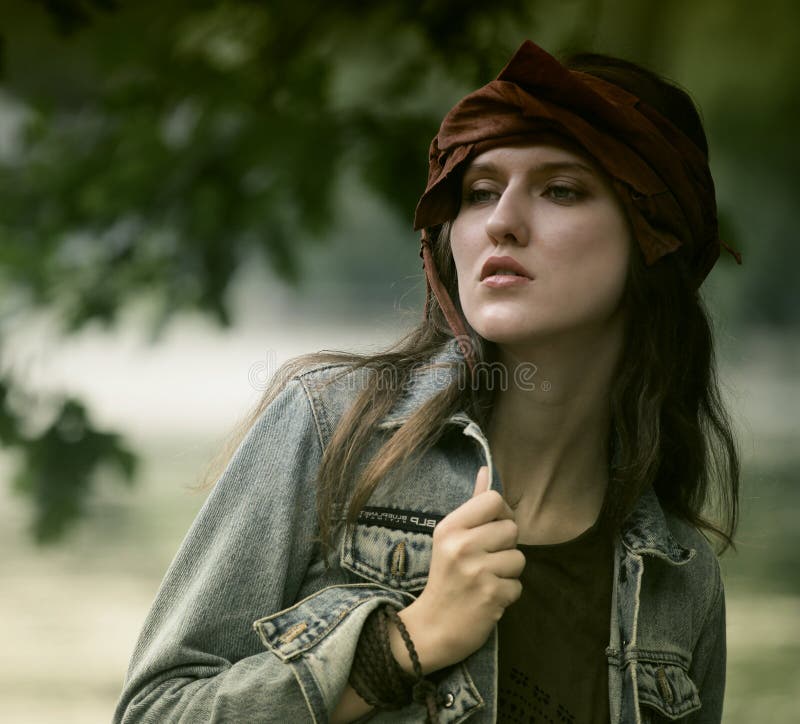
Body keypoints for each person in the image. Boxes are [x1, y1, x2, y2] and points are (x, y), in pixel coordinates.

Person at [114, 40, 742, 724]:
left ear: (654, 239)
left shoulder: (682, 577)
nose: (501, 222)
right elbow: (155, 711)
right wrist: (401, 648)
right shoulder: (332, 432)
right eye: (479, 193)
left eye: (561, 190)